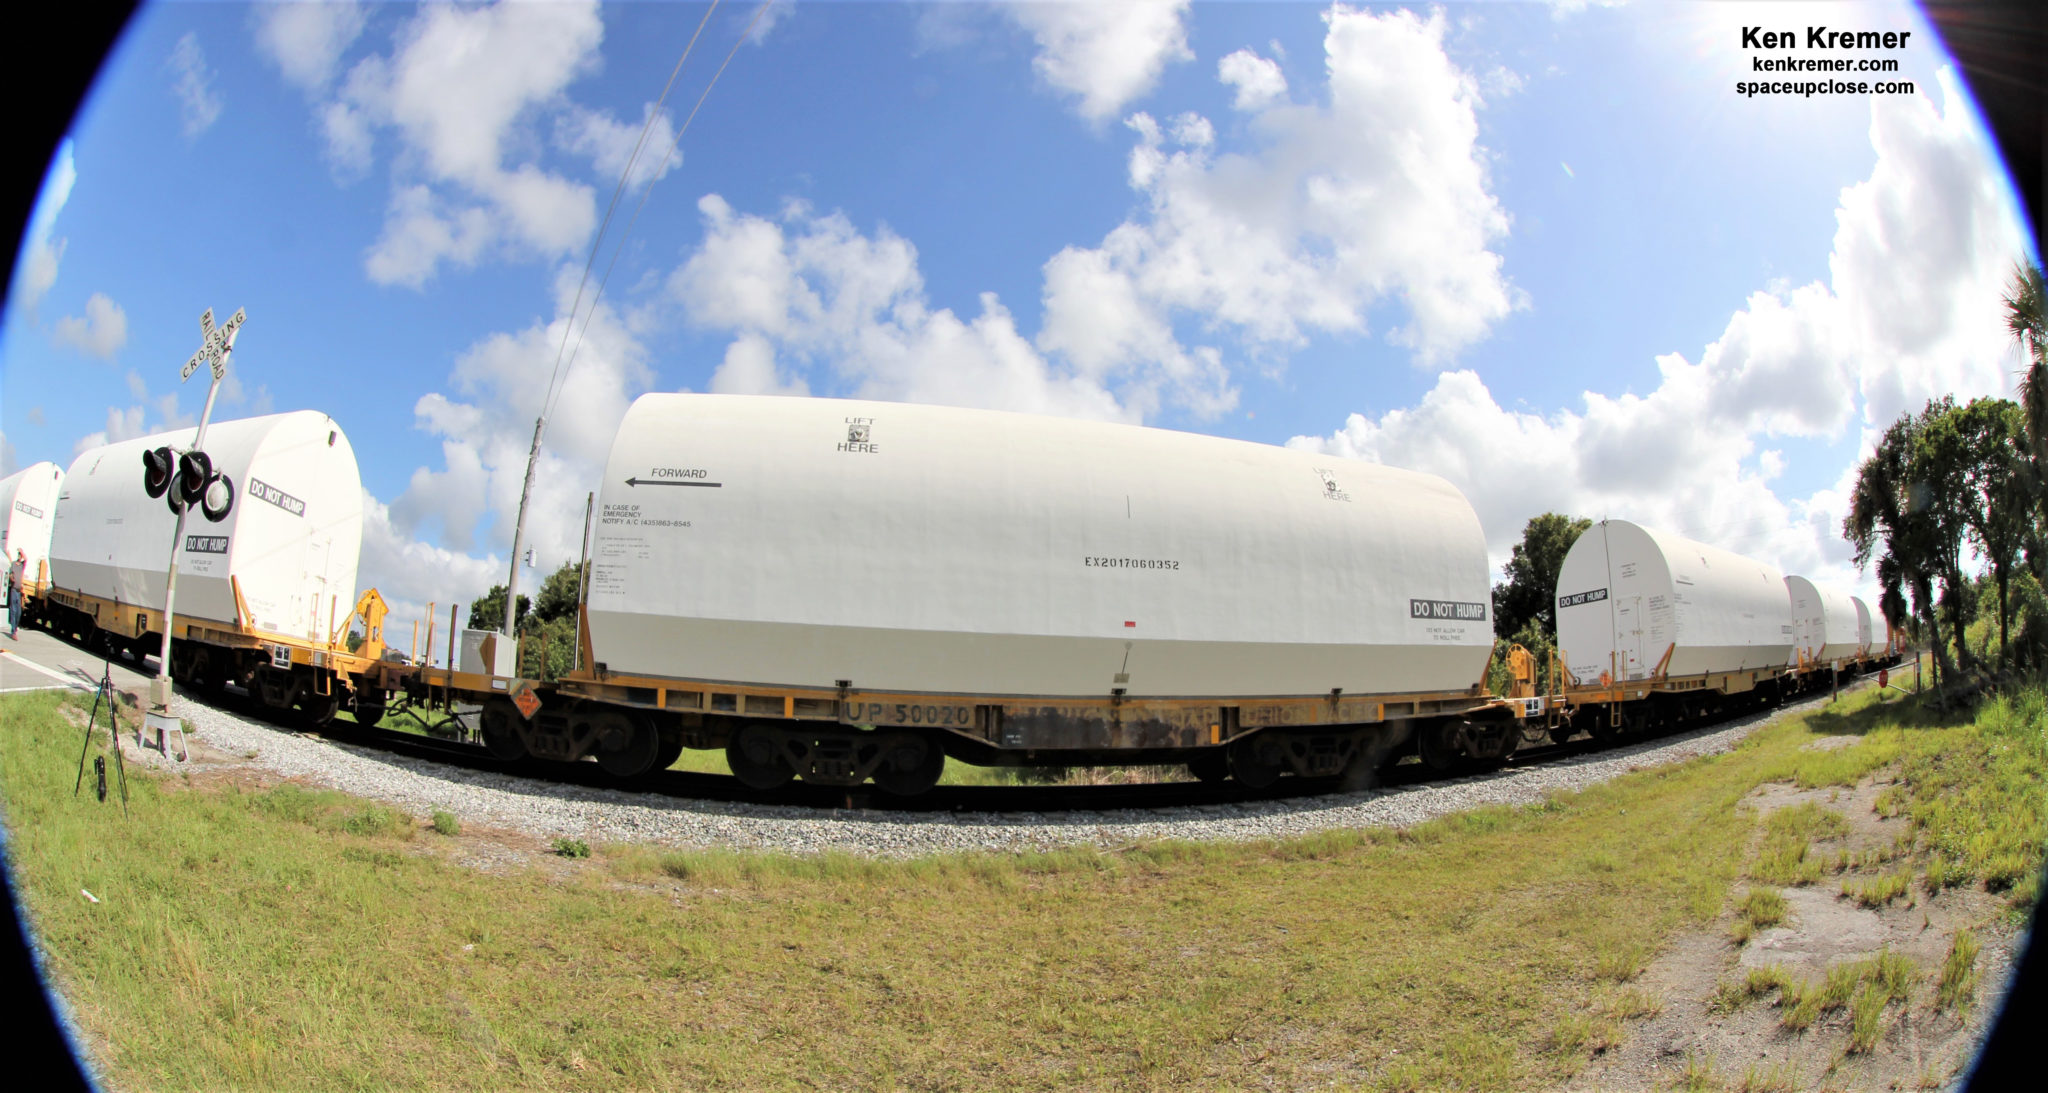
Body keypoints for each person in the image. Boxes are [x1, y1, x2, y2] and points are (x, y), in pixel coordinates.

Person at [6, 549, 24, 639]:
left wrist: (22, 551)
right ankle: (13, 631)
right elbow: (10, 574)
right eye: (19, 555)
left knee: (19, 612)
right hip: (13, 590)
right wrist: (11, 578)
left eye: (20, 556)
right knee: (13, 610)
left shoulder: (22, 565)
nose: (19, 557)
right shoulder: (13, 564)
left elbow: (26, 559)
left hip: (19, 591)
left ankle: (15, 628)